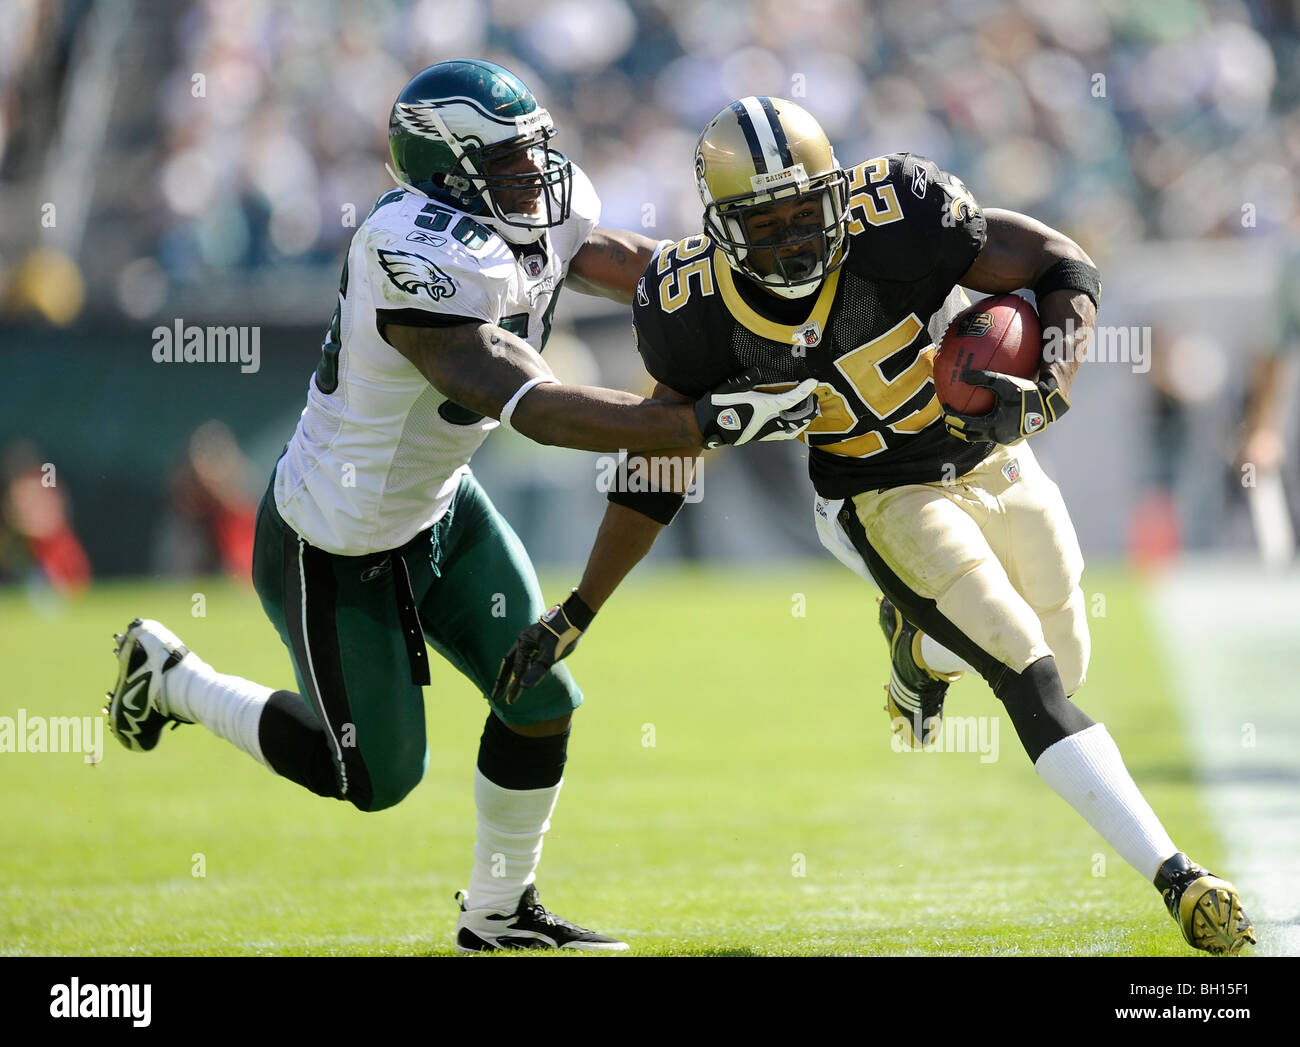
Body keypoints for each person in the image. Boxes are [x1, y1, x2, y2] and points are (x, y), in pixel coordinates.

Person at [495, 95, 1255, 955]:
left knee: (1067, 650)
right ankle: (1179, 878)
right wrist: (581, 607)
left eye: (801, 214)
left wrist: (1048, 385)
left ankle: (917, 653)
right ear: (718, 227)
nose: (788, 242)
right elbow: (662, 465)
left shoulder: (901, 212)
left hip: (988, 457)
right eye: (762, 223)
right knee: (1025, 668)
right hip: (875, 497)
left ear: (837, 193)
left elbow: (1061, 264)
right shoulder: (691, 307)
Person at [103, 62, 817, 954]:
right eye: (509, 160)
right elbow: (538, 408)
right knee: (373, 775)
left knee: (541, 694)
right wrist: (704, 421)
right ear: (446, 170)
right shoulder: (411, 251)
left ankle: (498, 914)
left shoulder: (526, 209)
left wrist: (746, 289)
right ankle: (172, 680)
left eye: (534, 152)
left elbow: (626, 264)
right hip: (336, 539)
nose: (537, 174)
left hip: (441, 507)